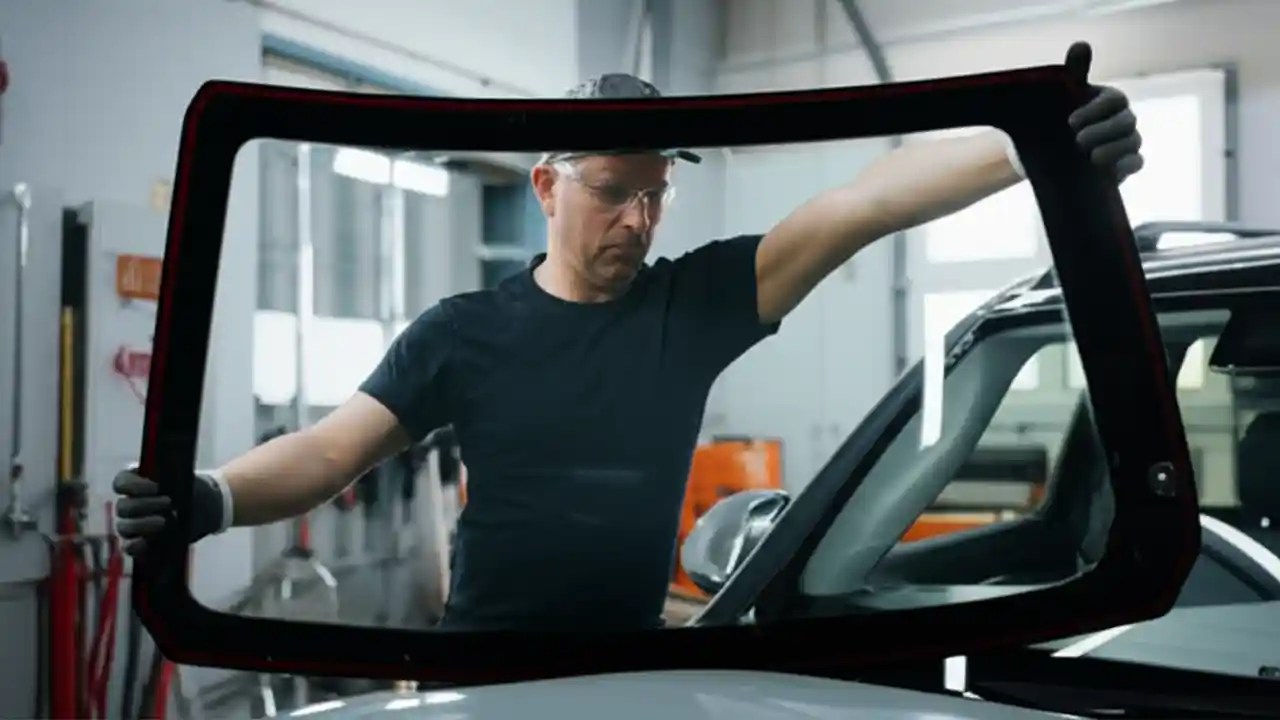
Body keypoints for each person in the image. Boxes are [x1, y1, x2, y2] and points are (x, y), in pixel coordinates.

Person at [113, 57, 1143, 632]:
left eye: (656, 194)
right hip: (486, 666)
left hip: (634, 663)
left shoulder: (691, 305)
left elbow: (858, 206)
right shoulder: (463, 334)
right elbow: (331, 453)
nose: (639, 220)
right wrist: (204, 499)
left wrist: (1037, 146)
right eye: (614, 192)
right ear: (548, 185)